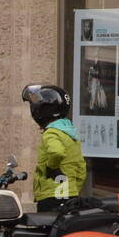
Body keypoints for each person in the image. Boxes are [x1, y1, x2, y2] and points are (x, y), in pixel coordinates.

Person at [22, 84, 85, 212]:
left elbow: (56, 153)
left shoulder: (51, 132)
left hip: (52, 196)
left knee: (46, 229)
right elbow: (81, 168)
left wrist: (52, 167)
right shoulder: (70, 133)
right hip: (69, 194)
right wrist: (73, 189)